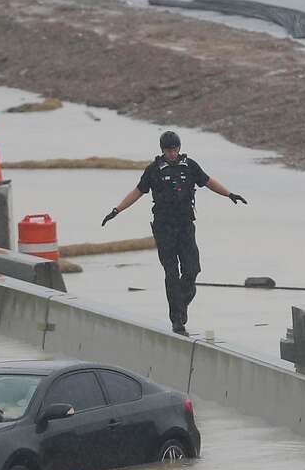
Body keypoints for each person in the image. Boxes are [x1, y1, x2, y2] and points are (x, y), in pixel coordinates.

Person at [100, 130, 247, 335]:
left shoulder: (190, 166)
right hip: (164, 227)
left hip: (186, 225)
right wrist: (116, 210)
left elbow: (208, 181)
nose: (172, 153)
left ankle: (182, 303)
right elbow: (137, 191)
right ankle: (177, 320)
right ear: (163, 150)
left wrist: (229, 194)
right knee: (171, 273)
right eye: (169, 150)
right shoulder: (153, 170)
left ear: (179, 148)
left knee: (192, 270)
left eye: (175, 149)